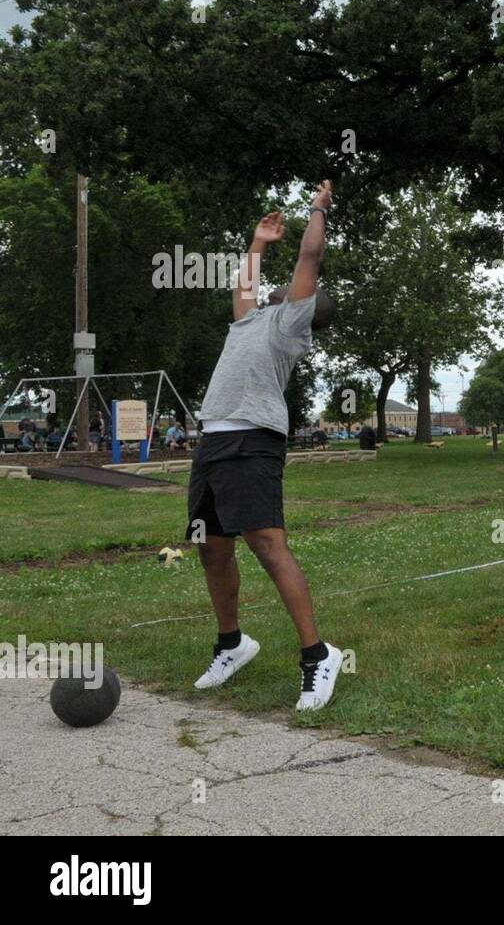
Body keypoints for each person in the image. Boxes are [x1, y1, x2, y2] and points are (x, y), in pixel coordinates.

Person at [186, 182, 344, 712]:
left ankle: (318, 655)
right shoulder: (250, 320)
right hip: (213, 438)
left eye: (298, 290)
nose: (284, 289)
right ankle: (232, 645)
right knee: (212, 546)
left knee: (268, 545)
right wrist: (257, 243)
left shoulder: (290, 325)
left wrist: (318, 209)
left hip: (253, 439)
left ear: (307, 308)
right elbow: (244, 289)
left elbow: (311, 255)